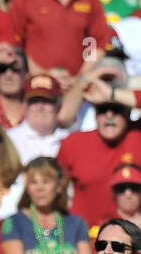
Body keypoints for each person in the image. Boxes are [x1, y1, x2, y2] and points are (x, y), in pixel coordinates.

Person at [56, 97, 141, 231]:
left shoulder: (137, 135)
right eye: (102, 110)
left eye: (117, 109)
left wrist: (112, 93)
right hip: (84, 237)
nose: (109, 115)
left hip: (132, 236)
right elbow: (56, 191)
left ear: (128, 112)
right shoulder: (74, 143)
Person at [0, 157, 91, 254]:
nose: (40, 188)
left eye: (46, 182)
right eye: (33, 182)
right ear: (27, 187)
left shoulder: (76, 224)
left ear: (59, 186)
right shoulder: (14, 223)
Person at [7, 74, 73, 164]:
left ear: (58, 106)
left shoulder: (70, 140)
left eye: (46, 101)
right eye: (34, 101)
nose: (40, 107)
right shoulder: (8, 139)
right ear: (25, 106)